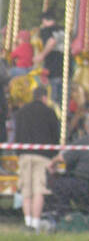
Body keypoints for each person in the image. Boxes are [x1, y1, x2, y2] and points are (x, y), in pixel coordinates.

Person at [13, 83, 60, 231]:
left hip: (25, 154)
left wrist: (19, 153)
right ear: (45, 97)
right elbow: (55, 137)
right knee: (39, 189)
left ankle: (27, 223)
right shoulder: (50, 112)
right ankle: (36, 222)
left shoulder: (21, 112)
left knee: (26, 188)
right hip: (43, 155)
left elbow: (17, 134)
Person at [33, 8, 68, 103]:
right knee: (63, 98)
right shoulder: (63, 29)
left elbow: (52, 41)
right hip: (65, 68)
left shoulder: (46, 30)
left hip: (52, 68)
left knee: (52, 98)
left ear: (44, 20)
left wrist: (42, 55)